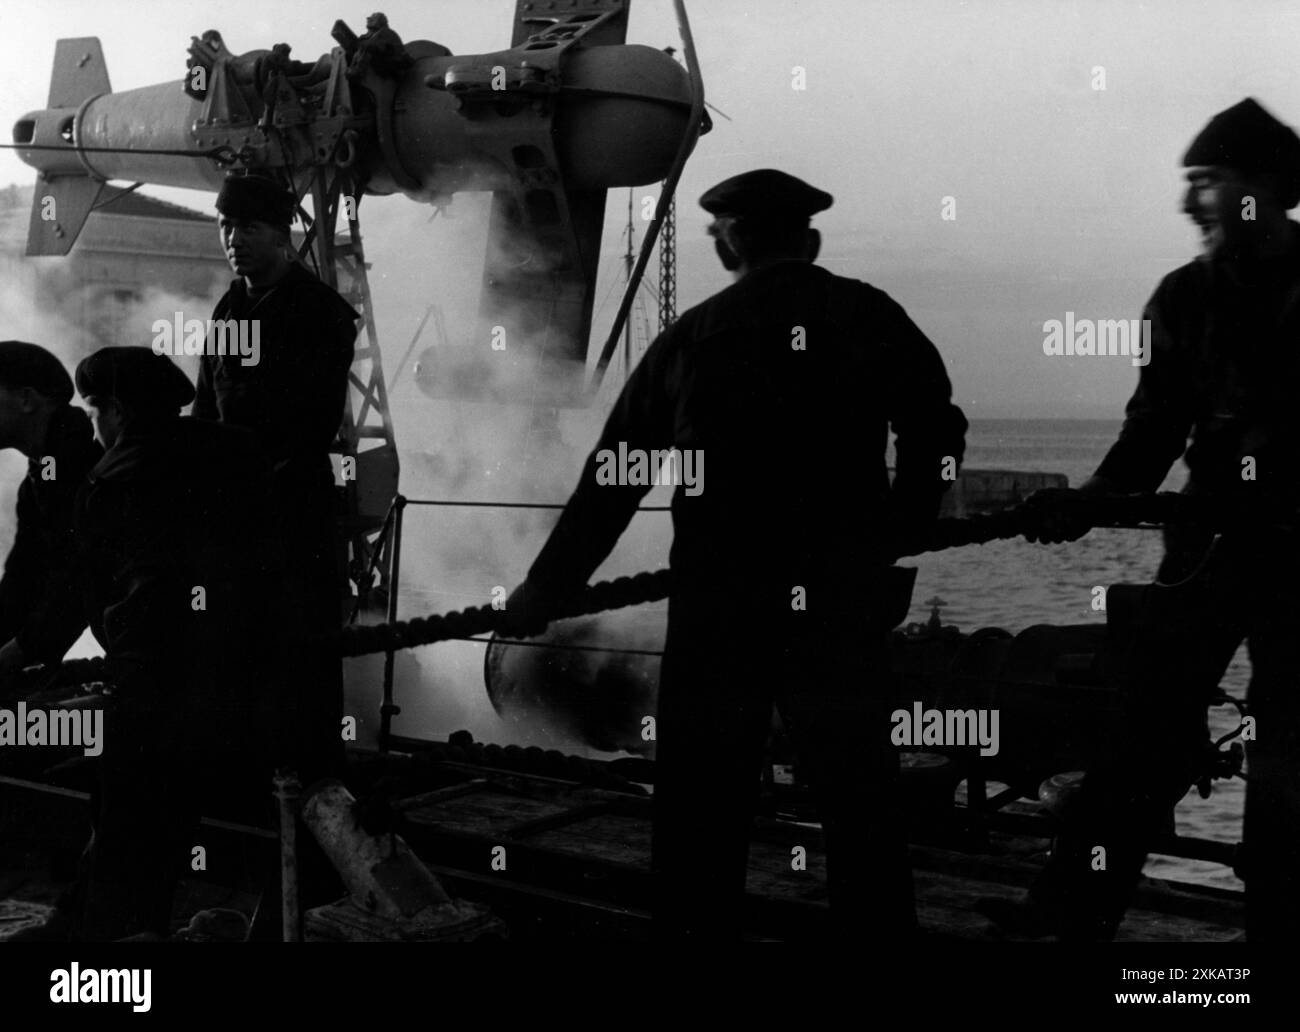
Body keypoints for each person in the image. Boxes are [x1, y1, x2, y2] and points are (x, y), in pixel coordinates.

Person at [504, 169, 968, 939]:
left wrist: (545, 588)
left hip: (721, 604)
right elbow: (937, 432)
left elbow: (611, 483)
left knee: (702, 803)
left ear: (730, 243)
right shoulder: (869, 316)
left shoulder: (692, 339)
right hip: (840, 596)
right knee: (859, 798)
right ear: (809, 240)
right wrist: (899, 523)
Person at [999, 98, 1300, 942]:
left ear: (1268, 186)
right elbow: (1151, 432)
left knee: (1289, 755)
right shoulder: (1182, 296)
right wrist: (1089, 501)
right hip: (1204, 549)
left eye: (1205, 182)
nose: (1187, 204)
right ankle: (1066, 922)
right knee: (1142, 733)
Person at [73, 346, 274, 940]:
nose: (94, 426)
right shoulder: (237, 448)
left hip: (156, 689)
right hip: (250, 682)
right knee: (186, 831)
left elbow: (123, 595)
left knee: (127, 844)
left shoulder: (116, 478)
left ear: (112, 410)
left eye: (93, 412)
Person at [194, 172, 358, 787]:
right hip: (232, 515)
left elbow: (307, 424)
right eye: (225, 227)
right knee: (235, 652)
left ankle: (313, 789)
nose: (234, 239)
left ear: (282, 233)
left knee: (300, 657)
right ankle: (246, 786)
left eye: (249, 228)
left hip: (291, 513)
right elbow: (208, 408)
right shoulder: (229, 307)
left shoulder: (318, 312)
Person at [0, 341, 101, 685]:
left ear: (27, 400)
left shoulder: (83, 468)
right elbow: (22, 576)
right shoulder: (42, 472)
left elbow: (80, 579)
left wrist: (19, 651)